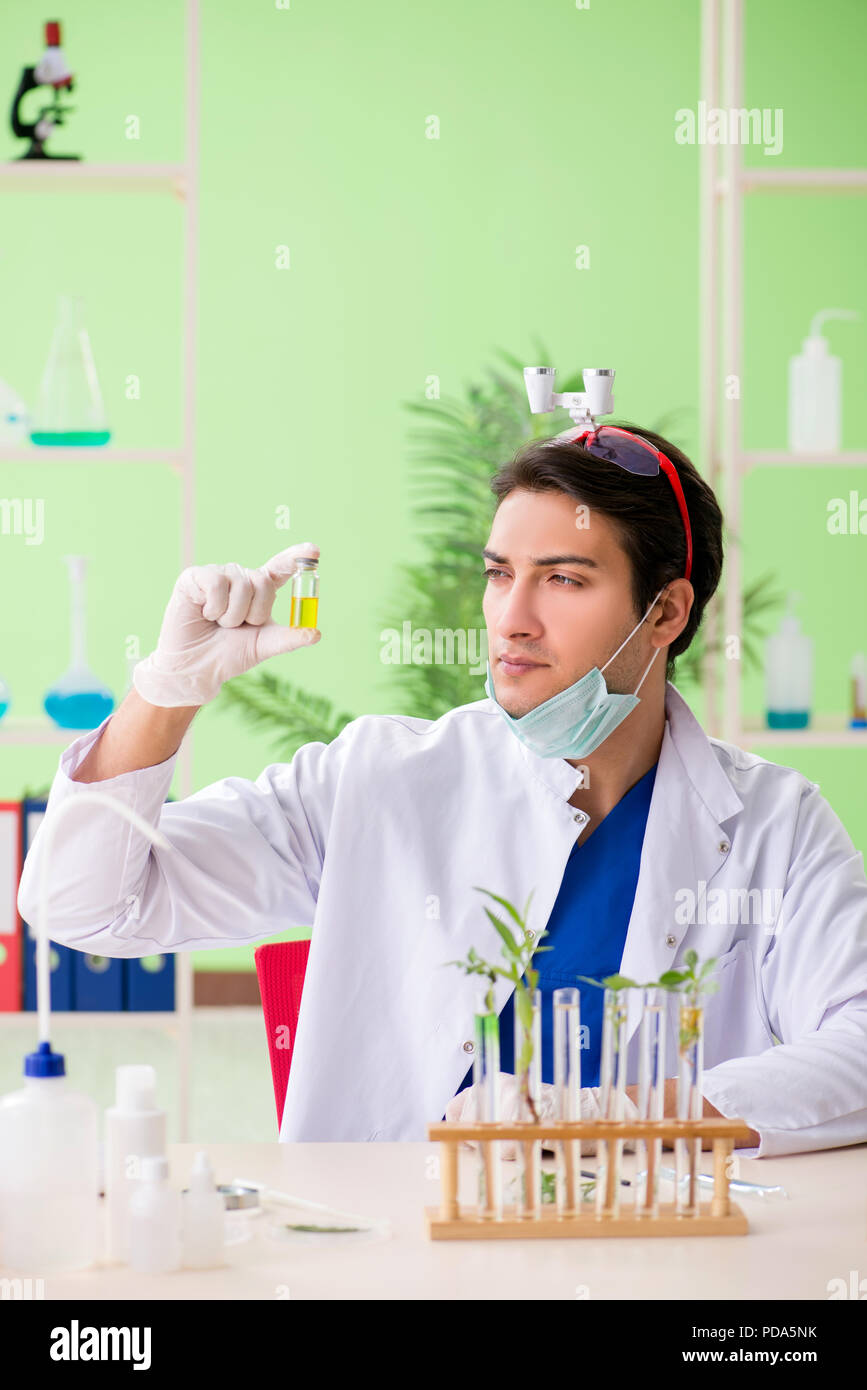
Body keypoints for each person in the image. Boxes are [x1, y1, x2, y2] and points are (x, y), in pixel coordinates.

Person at [17, 424, 867, 1154]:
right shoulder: (380, 779)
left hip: (651, 1251)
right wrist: (165, 693)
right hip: (396, 1254)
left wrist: (615, 1119)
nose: (511, 617)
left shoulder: (772, 825)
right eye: (500, 573)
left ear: (666, 614)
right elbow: (81, 906)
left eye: (563, 579)